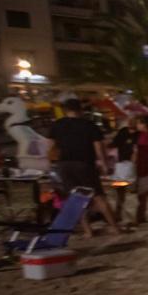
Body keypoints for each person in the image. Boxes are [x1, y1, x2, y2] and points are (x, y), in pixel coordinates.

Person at [50, 97, 122, 237]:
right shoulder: (89, 125)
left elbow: (49, 145)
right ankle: (115, 227)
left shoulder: (57, 125)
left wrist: (52, 161)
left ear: (65, 111)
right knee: (98, 196)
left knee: (76, 197)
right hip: (84, 164)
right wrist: (105, 164)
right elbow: (98, 147)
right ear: (80, 110)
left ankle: (87, 230)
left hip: (64, 164)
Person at [110, 117, 138, 221]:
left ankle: (139, 215)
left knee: (138, 192)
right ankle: (118, 213)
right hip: (121, 167)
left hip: (133, 167)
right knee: (119, 189)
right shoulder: (123, 131)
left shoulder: (139, 134)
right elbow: (114, 143)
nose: (130, 122)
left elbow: (137, 151)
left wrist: (133, 163)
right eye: (129, 119)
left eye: (133, 120)